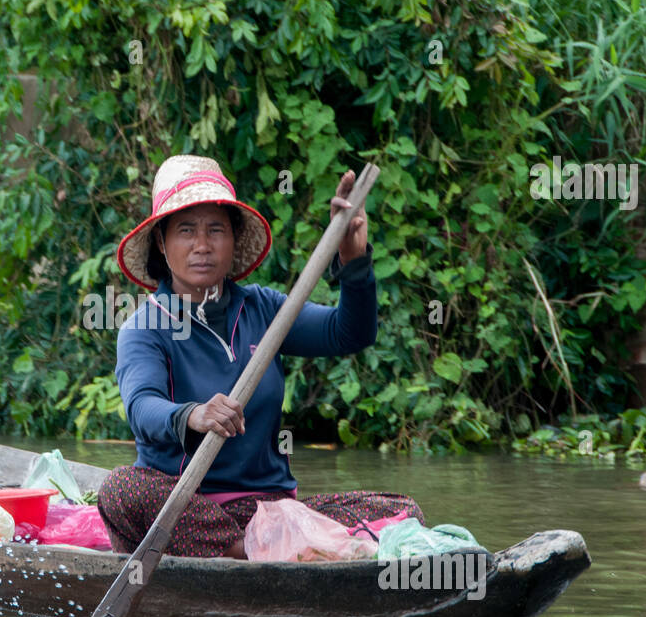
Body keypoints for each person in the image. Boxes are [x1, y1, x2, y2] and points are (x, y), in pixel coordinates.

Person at [97, 154, 426, 558]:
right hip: (190, 513)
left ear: (233, 240)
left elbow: (349, 333)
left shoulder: (264, 310)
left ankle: (279, 543)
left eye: (215, 230)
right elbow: (142, 409)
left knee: (403, 511)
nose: (202, 245)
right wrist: (192, 415)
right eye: (186, 231)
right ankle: (251, 551)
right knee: (121, 489)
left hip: (270, 512)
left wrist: (353, 260)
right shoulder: (145, 327)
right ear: (162, 244)